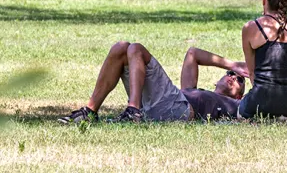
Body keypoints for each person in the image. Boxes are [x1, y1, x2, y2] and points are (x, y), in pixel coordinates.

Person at [58, 43, 247, 123]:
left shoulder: (237, 105)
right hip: (170, 100)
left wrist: (253, 73)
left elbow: (261, 103)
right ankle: (90, 112)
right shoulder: (191, 89)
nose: (233, 77)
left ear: (240, 95)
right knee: (121, 48)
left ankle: (133, 110)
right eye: (230, 74)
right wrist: (233, 64)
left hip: (179, 108)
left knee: (136, 49)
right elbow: (193, 53)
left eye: (239, 80)